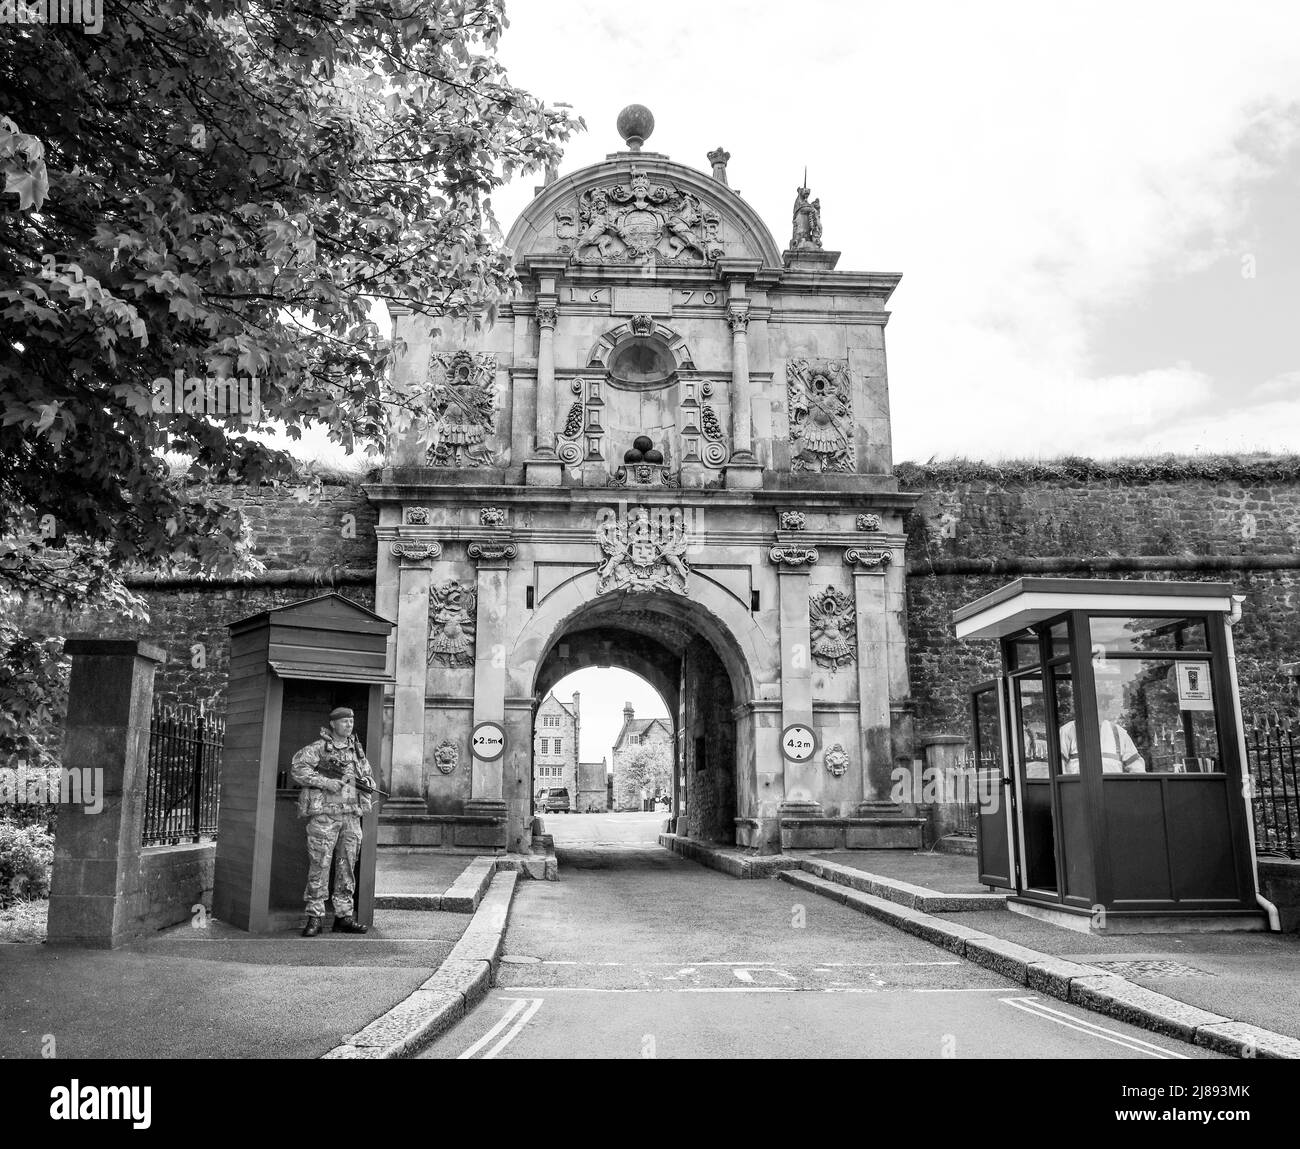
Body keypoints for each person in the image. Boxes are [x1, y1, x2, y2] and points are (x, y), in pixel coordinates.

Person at [290, 707, 377, 937]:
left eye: (351, 721)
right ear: (333, 724)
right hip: (325, 815)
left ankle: (343, 916)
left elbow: (368, 775)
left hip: (350, 816)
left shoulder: (357, 751)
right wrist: (325, 782)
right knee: (319, 865)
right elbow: (298, 768)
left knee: (346, 866)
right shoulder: (319, 748)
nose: (349, 725)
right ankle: (315, 917)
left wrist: (368, 782)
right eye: (344, 721)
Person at [1059, 684, 1147, 774]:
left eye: (1105, 704)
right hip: (1079, 783)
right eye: (1100, 703)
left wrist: (1140, 781)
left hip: (1111, 783)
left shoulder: (1119, 733)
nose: (1103, 707)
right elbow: (1060, 767)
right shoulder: (1068, 731)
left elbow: (1137, 767)